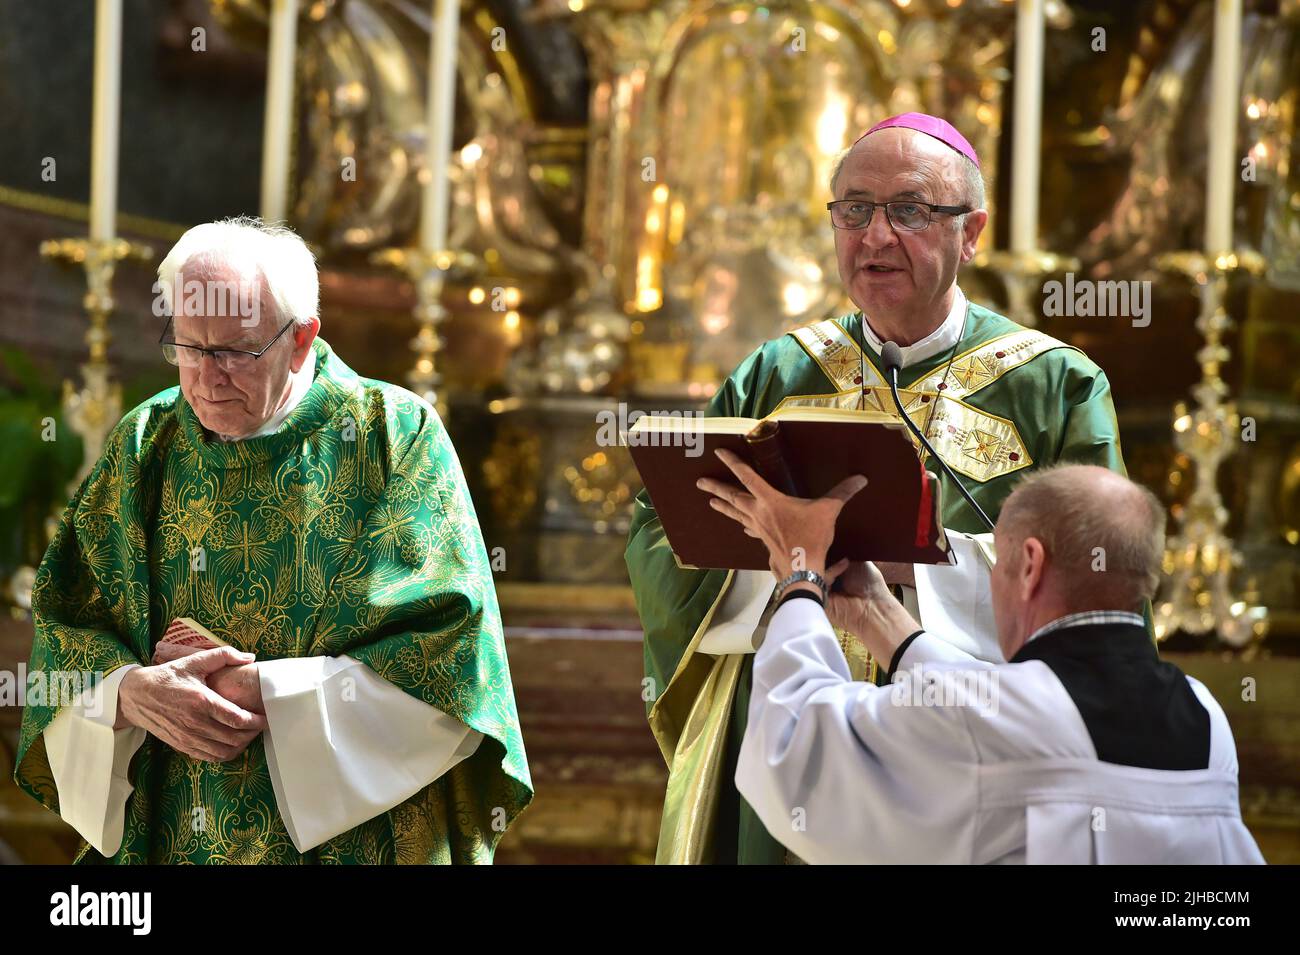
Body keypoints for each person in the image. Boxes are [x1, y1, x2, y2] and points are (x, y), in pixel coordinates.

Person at [626, 112, 1132, 863]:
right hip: (796, 735)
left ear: (972, 232)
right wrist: (780, 563)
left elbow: (1102, 578)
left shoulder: (1055, 384)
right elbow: (660, 536)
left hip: (966, 747)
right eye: (854, 211)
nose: (875, 237)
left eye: (910, 211)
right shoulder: (776, 373)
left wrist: (914, 567)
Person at [14, 216, 532, 864]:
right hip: (175, 833)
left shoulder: (394, 439)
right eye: (187, 347)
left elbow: (452, 659)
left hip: (359, 842)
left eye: (234, 351)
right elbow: (67, 630)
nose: (204, 377)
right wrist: (125, 693)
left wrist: (271, 693)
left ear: (301, 339)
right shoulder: (144, 444)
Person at [700, 455, 1263, 864]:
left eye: (998, 563)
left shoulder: (995, 718)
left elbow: (792, 757)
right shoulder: (1204, 717)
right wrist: (876, 616)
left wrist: (799, 579)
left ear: (1030, 564)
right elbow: (1015, 718)